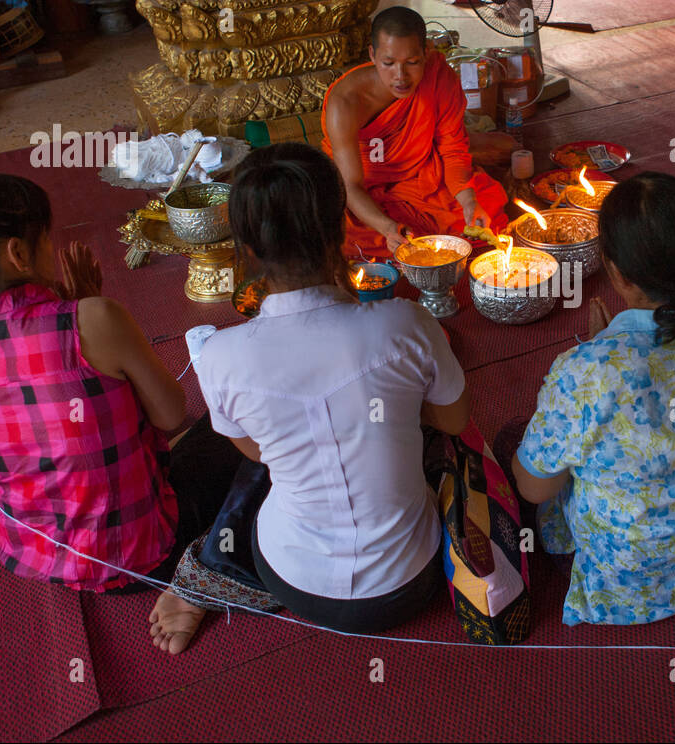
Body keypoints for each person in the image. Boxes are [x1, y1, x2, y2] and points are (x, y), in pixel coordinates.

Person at [0, 174, 276, 656]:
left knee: (37, 443)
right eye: (45, 239)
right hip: (143, 557)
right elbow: (169, 415)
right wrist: (85, 310)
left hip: (34, 548)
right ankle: (203, 579)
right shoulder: (95, 317)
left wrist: (70, 307)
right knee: (256, 430)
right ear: (18, 253)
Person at [188, 142, 471, 635]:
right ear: (339, 229)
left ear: (248, 249)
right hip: (412, 579)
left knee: (263, 453)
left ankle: (209, 574)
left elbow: (255, 454)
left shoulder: (218, 356)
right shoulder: (404, 323)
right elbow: (454, 421)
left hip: (293, 581)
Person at [501, 172, 675, 627]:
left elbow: (535, 488)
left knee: (517, 445)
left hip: (624, 582)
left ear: (613, 270)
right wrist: (608, 356)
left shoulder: (586, 372)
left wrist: (600, 359)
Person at [322, 5, 509, 258]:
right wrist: (387, 228)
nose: (400, 76)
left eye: (412, 63)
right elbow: (351, 186)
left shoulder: (439, 77)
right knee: (343, 236)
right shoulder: (344, 102)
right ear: (372, 55)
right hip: (366, 192)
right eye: (388, 63)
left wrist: (467, 201)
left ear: (426, 53)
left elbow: (452, 151)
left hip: (423, 179)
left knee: (485, 202)